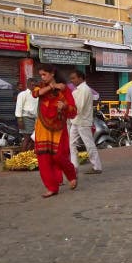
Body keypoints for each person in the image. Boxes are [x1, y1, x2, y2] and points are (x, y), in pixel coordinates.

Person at [33, 65, 78, 198]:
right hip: (43, 126)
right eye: (41, 75)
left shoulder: (65, 89)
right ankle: (52, 187)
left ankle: (71, 175)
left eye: (44, 74)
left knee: (58, 156)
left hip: (58, 127)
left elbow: (73, 109)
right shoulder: (41, 86)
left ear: (52, 73)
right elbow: (36, 94)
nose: (42, 77)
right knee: (43, 158)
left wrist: (64, 106)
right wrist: (53, 86)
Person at [68, 70, 102, 174]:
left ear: (80, 78)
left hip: (82, 121)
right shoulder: (78, 90)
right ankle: (74, 166)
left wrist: (68, 110)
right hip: (76, 121)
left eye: (74, 78)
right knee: (72, 143)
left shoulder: (84, 90)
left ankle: (97, 167)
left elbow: (79, 107)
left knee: (89, 144)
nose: (72, 80)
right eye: (71, 78)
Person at [15, 81, 38, 152]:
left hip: (36, 119)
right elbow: (19, 106)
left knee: (33, 139)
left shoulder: (37, 94)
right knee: (27, 138)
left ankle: (29, 156)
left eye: (35, 85)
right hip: (26, 118)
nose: (34, 86)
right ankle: (22, 157)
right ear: (28, 85)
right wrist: (20, 120)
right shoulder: (23, 94)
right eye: (32, 85)